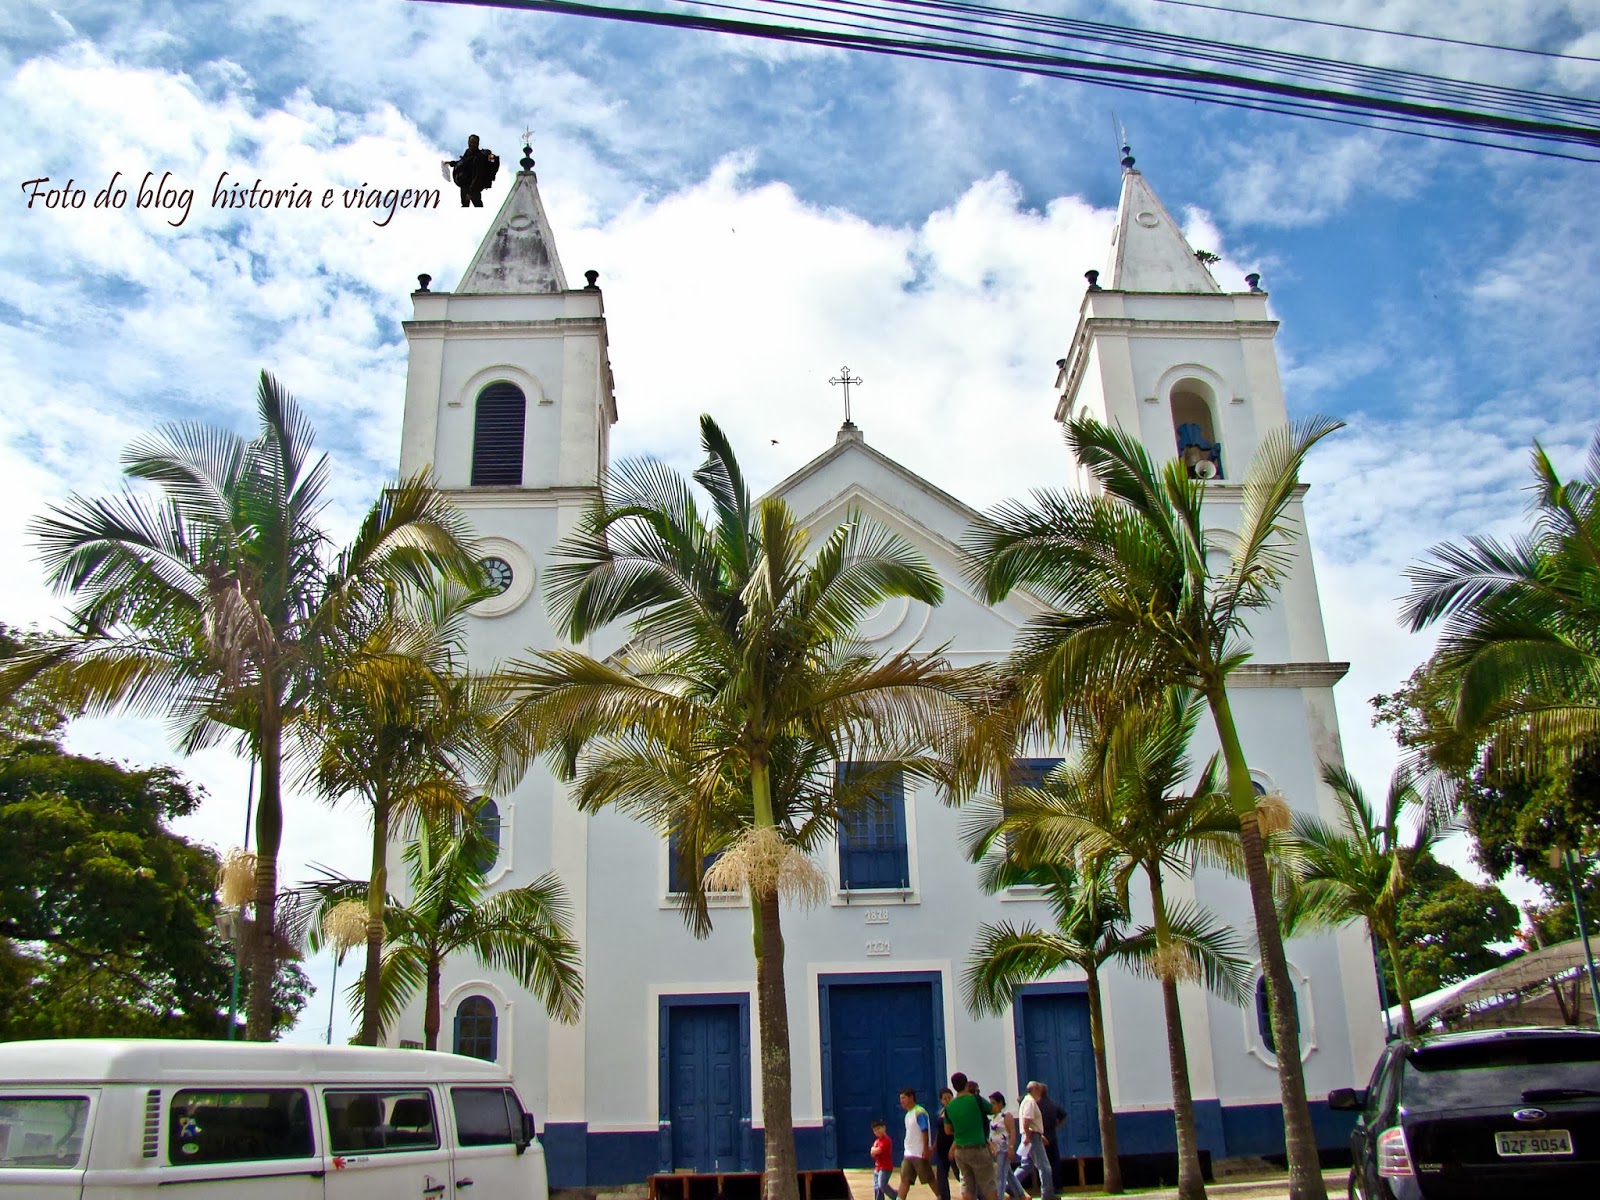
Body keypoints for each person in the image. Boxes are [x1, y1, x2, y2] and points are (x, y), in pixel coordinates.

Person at [942, 1072, 997, 1200]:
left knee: (967, 1185)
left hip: (960, 1150)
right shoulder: (976, 1100)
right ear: (967, 1084)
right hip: (978, 1148)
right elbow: (994, 1110)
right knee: (988, 1184)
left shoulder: (949, 1107)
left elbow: (947, 1130)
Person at [1012, 1081, 1055, 1200]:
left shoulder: (1026, 1101)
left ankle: (1008, 1187)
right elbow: (1027, 1121)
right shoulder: (1030, 1102)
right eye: (1039, 1091)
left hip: (1032, 1135)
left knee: (1025, 1166)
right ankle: (1047, 1194)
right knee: (1044, 1166)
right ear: (1035, 1090)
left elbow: (1029, 1123)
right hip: (1032, 1137)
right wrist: (1028, 1136)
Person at [898, 1088, 937, 1199]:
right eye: (900, 1099)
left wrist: (925, 1148)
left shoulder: (919, 1112)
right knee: (905, 1179)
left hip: (919, 1153)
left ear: (911, 1097)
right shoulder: (907, 1115)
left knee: (929, 1178)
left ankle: (940, 1196)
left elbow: (924, 1130)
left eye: (903, 1098)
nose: (901, 1101)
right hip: (908, 1153)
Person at [988, 1092, 1023, 1199]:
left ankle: (1000, 1196)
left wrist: (1011, 1147)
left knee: (1000, 1175)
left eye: (993, 1103)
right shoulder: (993, 1117)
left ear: (1000, 1103)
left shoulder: (1006, 1115)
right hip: (996, 1149)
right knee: (1008, 1174)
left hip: (1004, 1148)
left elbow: (1012, 1132)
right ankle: (1020, 1194)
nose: (991, 1106)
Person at [448, 134, 499, 207]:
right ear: (468, 142)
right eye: (471, 142)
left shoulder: (479, 157)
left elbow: (477, 176)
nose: (472, 144)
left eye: (475, 143)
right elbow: (464, 162)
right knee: (465, 205)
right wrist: (453, 163)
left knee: (477, 205)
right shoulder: (468, 152)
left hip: (474, 187)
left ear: (478, 144)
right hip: (464, 185)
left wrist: (470, 192)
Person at [1036, 1083, 1066, 1191]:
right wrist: (1056, 1126)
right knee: (1055, 1163)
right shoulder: (1053, 1104)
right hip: (1052, 1136)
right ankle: (1058, 1187)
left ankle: (1047, 1187)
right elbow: (1063, 1115)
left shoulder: (1036, 1104)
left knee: (1043, 1164)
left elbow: (1019, 1099)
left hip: (1041, 1137)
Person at [933, 1086, 959, 1200]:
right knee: (941, 1176)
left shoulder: (956, 1111)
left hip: (953, 1147)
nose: (947, 1100)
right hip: (941, 1148)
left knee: (959, 1174)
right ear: (941, 1100)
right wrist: (934, 1145)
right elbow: (939, 1131)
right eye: (945, 1098)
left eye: (949, 1097)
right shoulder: (940, 1113)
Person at [871, 1119, 899, 1200]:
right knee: (877, 1187)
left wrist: (874, 1149)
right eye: (875, 1130)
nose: (877, 1131)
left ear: (884, 1128)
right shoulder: (877, 1141)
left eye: (879, 1128)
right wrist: (873, 1150)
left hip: (885, 1167)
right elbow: (872, 1153)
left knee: (882, 1185)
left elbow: (878, 1150)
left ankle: (896, 1196)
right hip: (877, 1167)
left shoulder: (886, 1140)